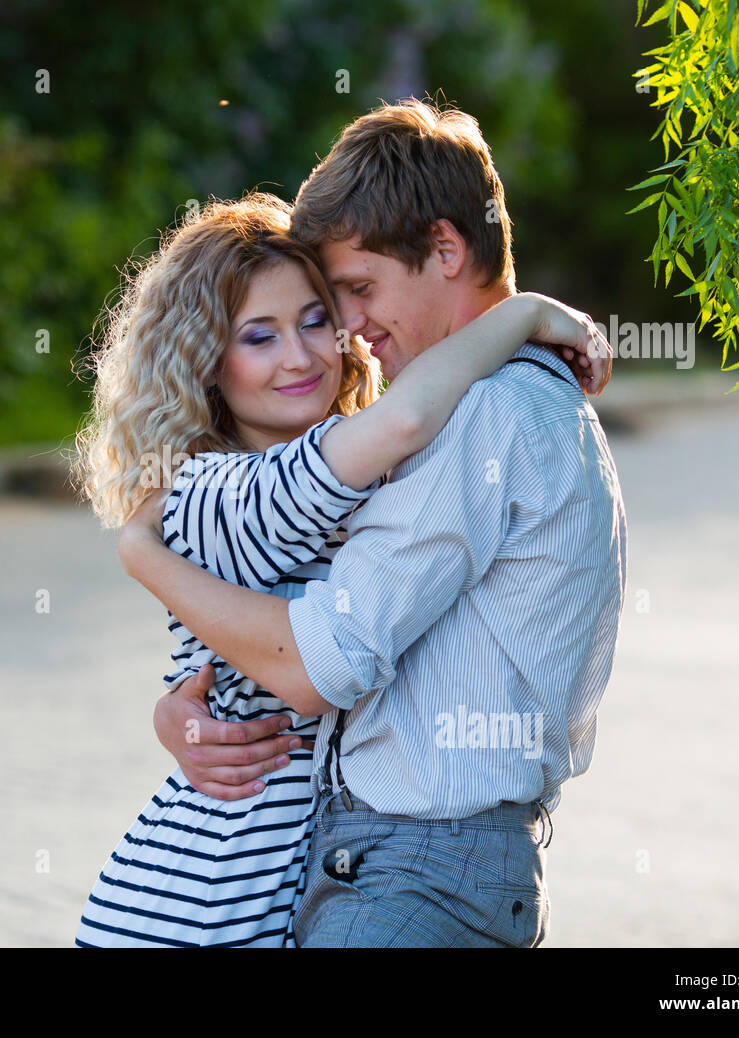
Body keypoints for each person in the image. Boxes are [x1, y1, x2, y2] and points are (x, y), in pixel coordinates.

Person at [119, 98, 629, 947]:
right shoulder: (501, 402)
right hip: (369, 875)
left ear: (444, 248)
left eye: (348, 296)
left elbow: (330, 661)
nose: (345, 332)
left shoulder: (480, 417)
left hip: (414, 878)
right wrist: (175, 709)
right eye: (267, 332)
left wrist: (142, 556)